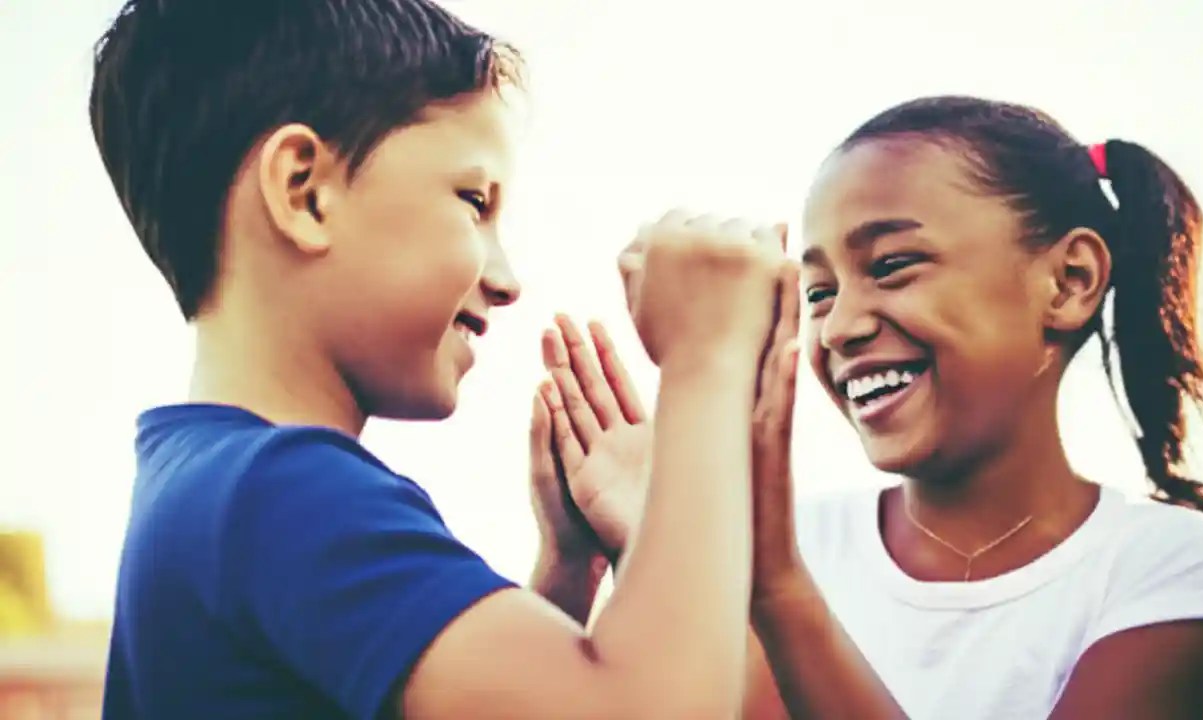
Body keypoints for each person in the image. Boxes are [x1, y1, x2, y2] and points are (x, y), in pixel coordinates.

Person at [91, 1, 792, 717]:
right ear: (304, 192)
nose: (506, 277)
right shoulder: (283, 490)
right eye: (473, 202)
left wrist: (568, 569)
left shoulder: (204, 480)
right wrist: (708, 361)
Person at [537, 96, 1203, 719]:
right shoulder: (788, 544)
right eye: (818, 293)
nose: (841, 326)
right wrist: (639, 549)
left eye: (891, 267)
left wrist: (772, 588)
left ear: (1070, 280)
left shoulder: (1171, 570)